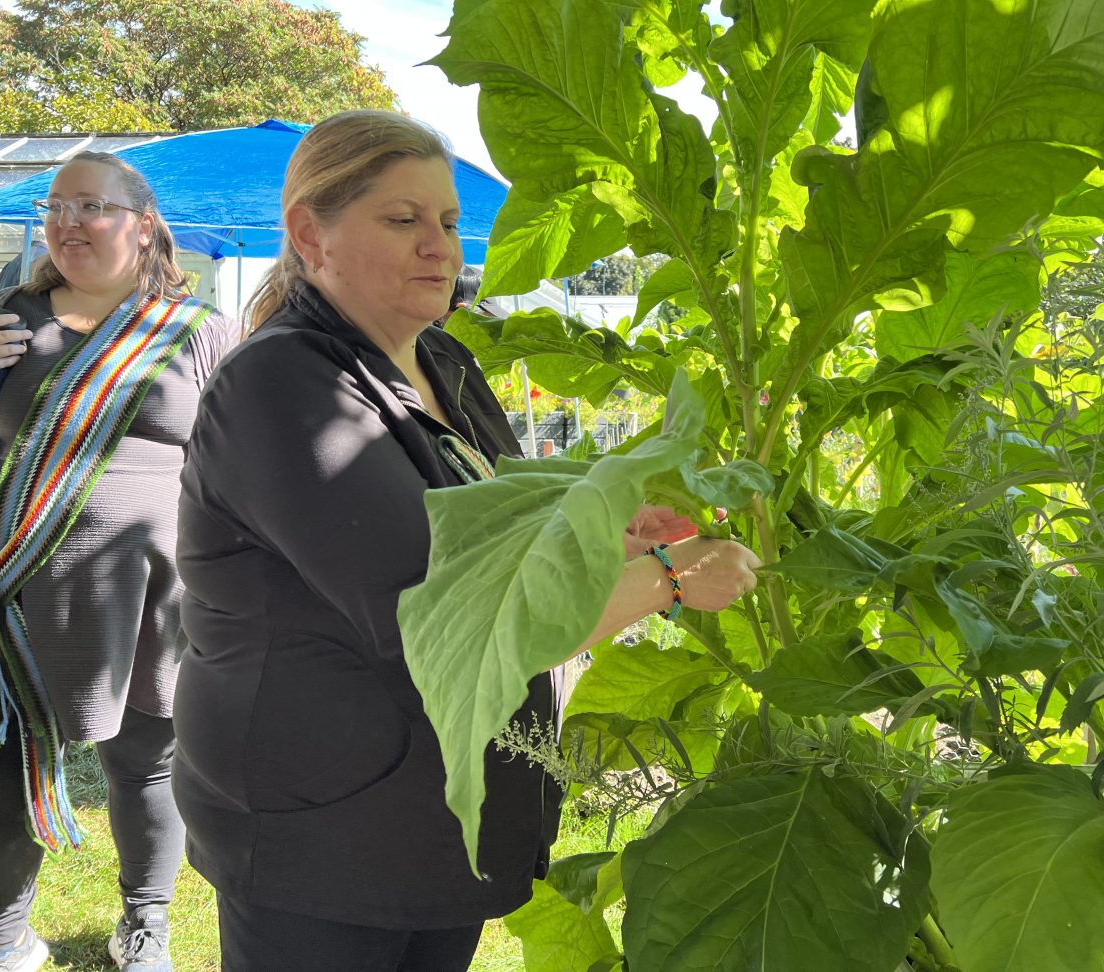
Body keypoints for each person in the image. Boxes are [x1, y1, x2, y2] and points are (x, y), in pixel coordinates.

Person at [171, 109, 761, 972]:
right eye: (402, 219)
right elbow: (452, 617)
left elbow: (499, 531)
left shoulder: (442, 362)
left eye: (448, 222)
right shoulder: (284, 387)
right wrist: (671, 579)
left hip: (433, 820)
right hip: (322, 837)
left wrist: (614, 535)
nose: (439, 247)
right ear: (310, 234)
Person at [0, 151, 238, 972]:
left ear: (143, 226)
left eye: (91, 207)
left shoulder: (202, 332)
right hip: (10, 591)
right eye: (56, 207)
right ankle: (2, 937)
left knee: (147, 763)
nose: (67, 222)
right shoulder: (7, 316)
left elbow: (246, 463)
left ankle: (146, 924)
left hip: (154, 594)